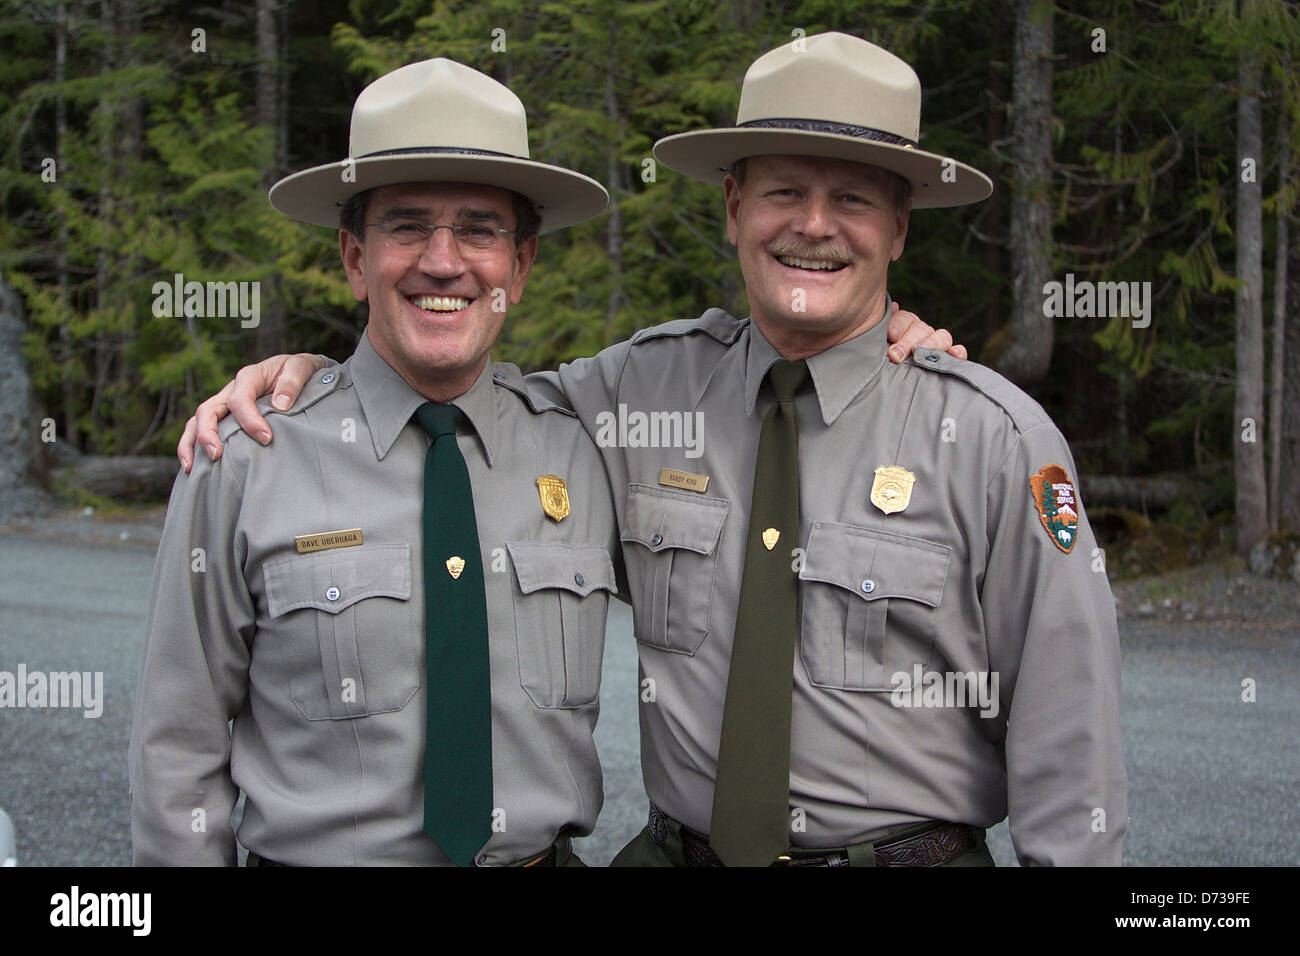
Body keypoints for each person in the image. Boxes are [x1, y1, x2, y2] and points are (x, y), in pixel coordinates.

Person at [185, 32, 1126, 867]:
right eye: (784, 192)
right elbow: (450, 391)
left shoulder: (994, 440)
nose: (813, 225)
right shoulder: (634, 398)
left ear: (899, 228)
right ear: (732, 206)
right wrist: (311, 371)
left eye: (853, 199)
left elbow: (1070, 740)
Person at [128, 57, 625, 866]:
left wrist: (905, 342)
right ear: (355, 260)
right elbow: (174, 750)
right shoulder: (246, 458)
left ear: (520, 267)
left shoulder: (586, 451)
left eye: (478, 227)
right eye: (406, 225)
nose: (442, 259)